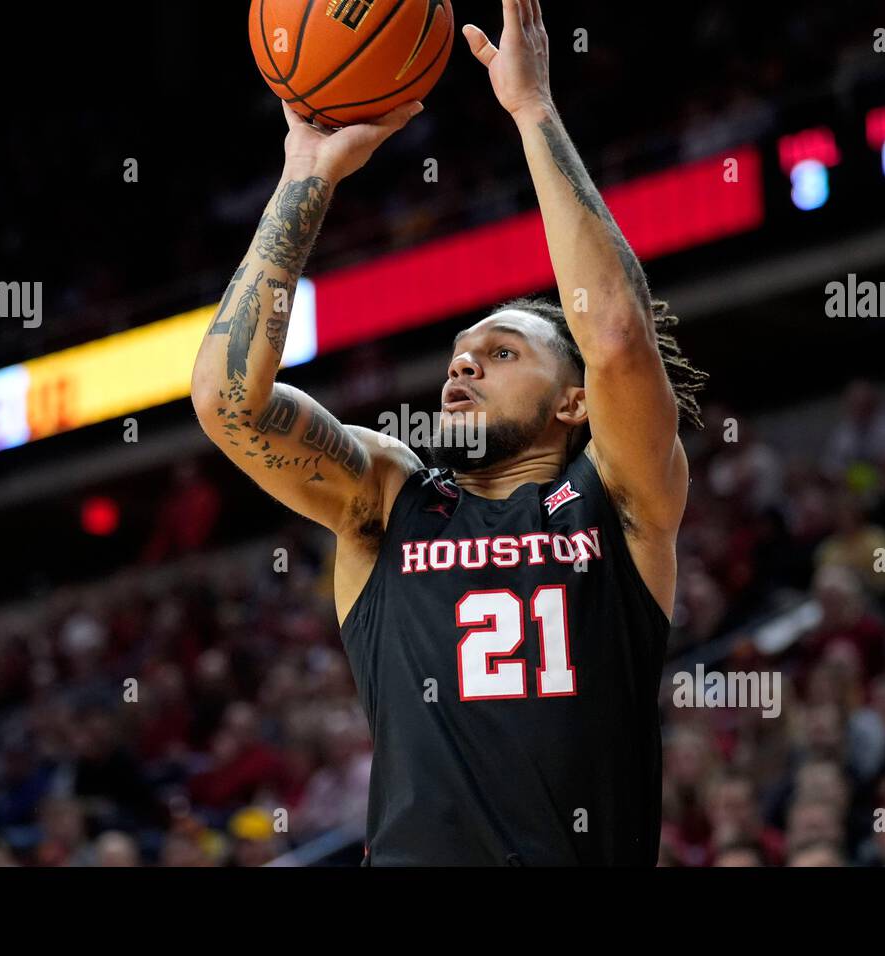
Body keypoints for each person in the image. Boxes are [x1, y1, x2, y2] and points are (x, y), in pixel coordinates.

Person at [191, 0, 704, 865]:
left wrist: (533, 110)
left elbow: (614, 336)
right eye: (459, 357)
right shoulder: (389, 496)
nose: (460, 369)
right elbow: (227, 403)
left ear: (573, 403)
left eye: (500, 354)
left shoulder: (617, 502)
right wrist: (305, 175)